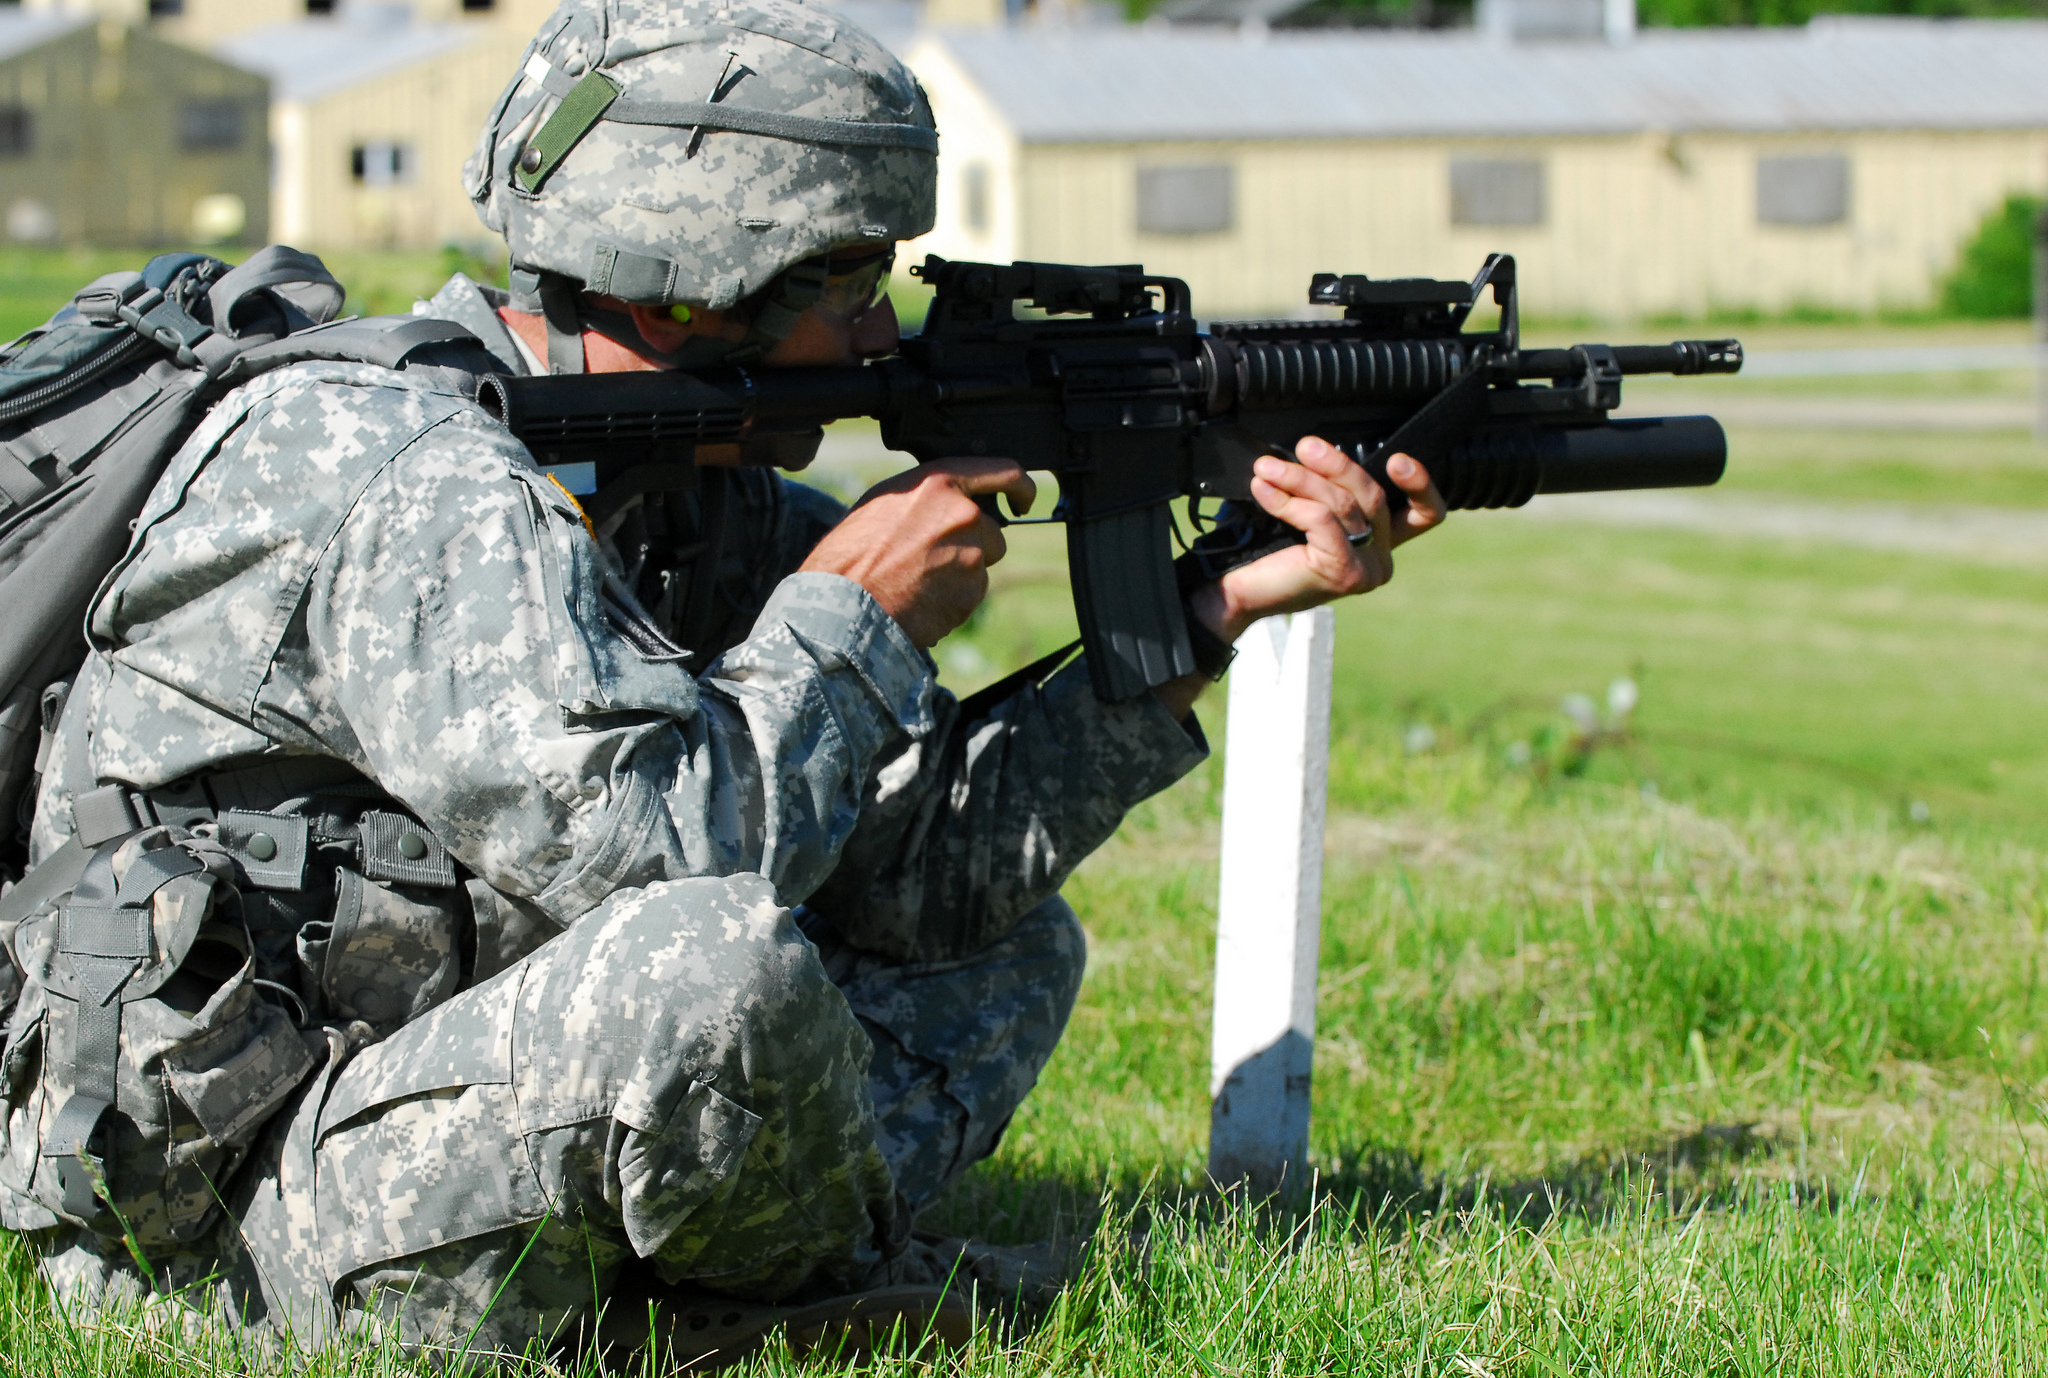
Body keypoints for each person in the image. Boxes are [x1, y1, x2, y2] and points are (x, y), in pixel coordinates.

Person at [0, 0, 1444, 1360]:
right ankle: (783, 1288)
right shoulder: (398, 480)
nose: (886, 336)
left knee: (1003, 940)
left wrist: (1214, 606)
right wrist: (853, 618)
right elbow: (659, 864)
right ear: (703, 285)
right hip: (211, 1224)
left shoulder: (683, 492)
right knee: (710, 972)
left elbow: (917, 874)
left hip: (412, 1080)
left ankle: (727, 1276)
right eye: (854, 284)